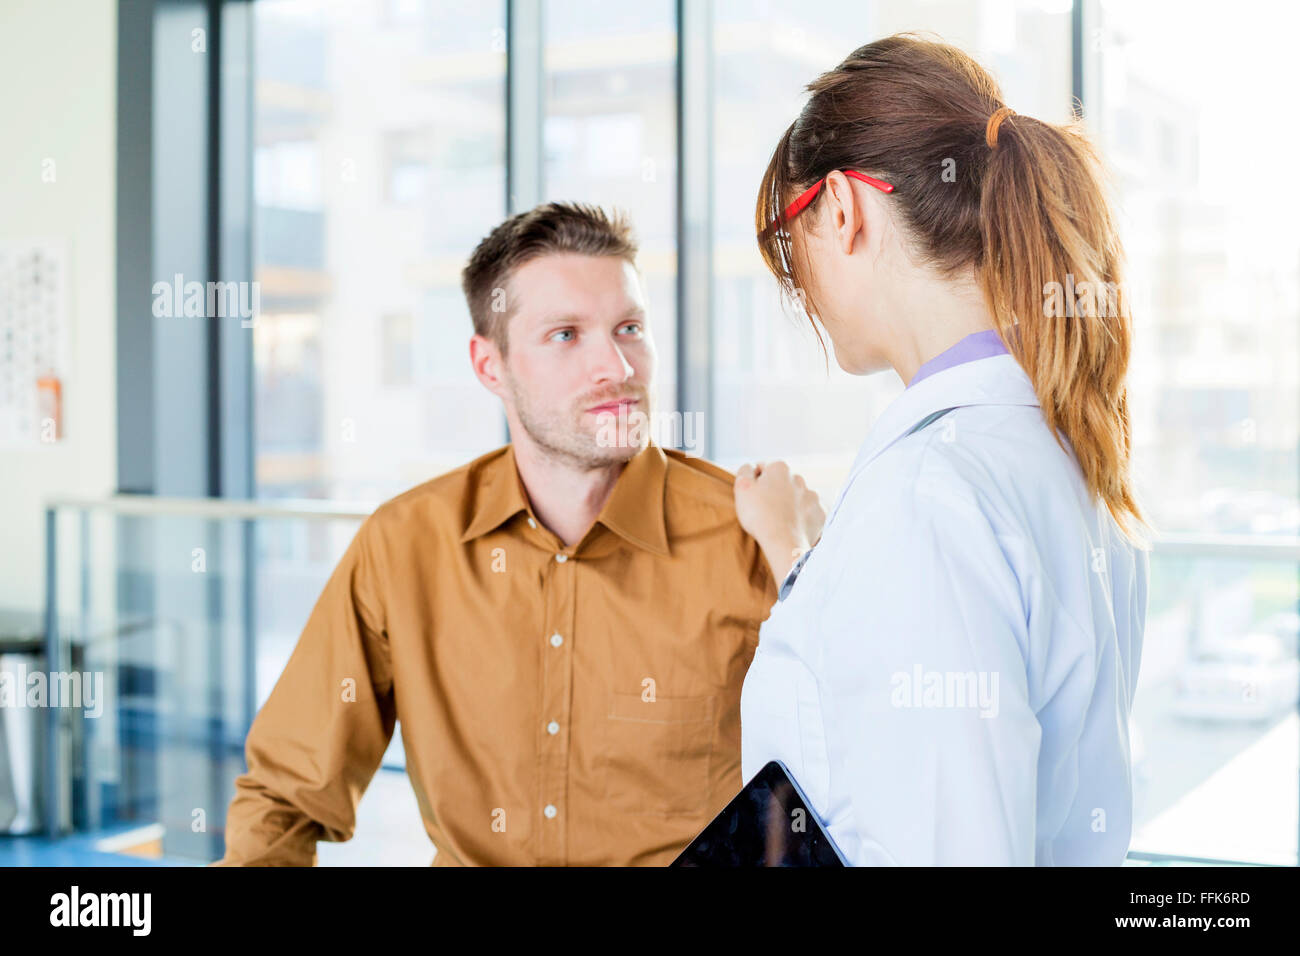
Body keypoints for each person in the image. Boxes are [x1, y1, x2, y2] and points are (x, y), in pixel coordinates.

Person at [215, 202, 805, 866]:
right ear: (489, 365)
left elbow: (854, 776)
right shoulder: (404, 546)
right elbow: (287, 796)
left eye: (630, 327)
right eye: (566, 335)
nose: (615, 366)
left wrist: (801, 564)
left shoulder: (753, 539)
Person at [731, 33, 1151, 865]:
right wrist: (800, 563)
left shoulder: (928, 495)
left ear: (842, 210)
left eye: (788, 240)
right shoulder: (1055, 448)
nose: (796, 287)